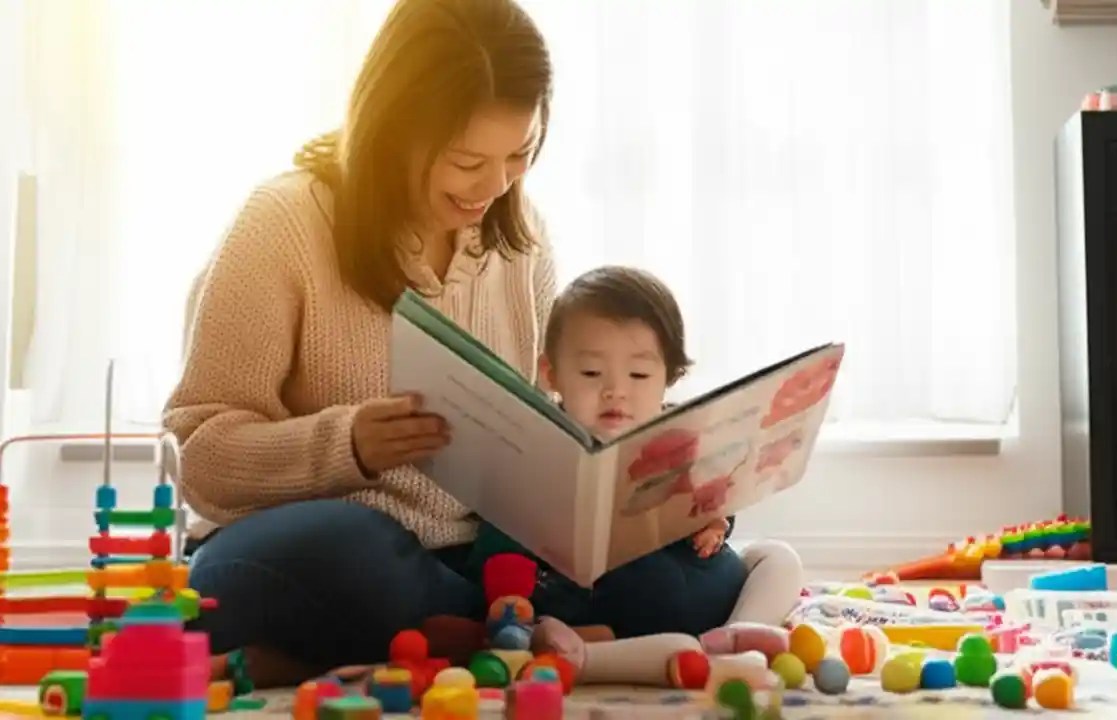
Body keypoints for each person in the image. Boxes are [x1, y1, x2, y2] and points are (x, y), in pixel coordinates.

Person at [163, 0, 744, 688]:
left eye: (518, 155)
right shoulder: (283, 223)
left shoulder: (518, 234)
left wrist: (667, 501)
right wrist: (346, 446)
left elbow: (545, 435)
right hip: (326, 547)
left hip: (478, 568)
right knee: (346, 554)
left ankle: (457, 639)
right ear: (392, 128)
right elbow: (201, 456)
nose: (495, 185)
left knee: (703, 579)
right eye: (468, 160)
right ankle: (512, 640)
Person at [468, 266, 803, 685]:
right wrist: (509, 594)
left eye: (639, 375)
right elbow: (504, 534)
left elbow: (717, 498)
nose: (616, 391)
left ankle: (739, 635)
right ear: (551, 374)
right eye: (591, 374)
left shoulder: (684, 436)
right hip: (616, 598)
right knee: (654, 594)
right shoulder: (539, 447)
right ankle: (592, 657)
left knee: (777, 558)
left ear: (669, 378)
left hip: (703, 581)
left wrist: (716, 522)